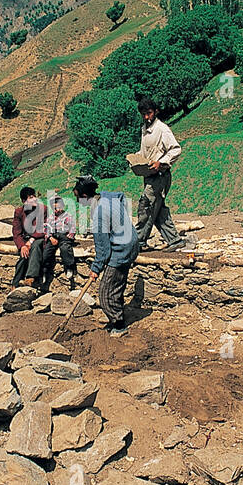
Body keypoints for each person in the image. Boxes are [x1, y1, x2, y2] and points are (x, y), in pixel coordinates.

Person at [75, 175, 138, 338]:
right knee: (117, 284)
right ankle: (119, 313)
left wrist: (95, 269)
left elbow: (103, 251)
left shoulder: (98, 214)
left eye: (77, 198)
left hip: (121, 250)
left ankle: (119, 325)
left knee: (105, 293)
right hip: (131, 243)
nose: (77, 202)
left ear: (83, 196)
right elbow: (122, 198)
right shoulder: (109, 197)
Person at [135, 103, 186, 252]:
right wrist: (136, 158)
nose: (146, 117)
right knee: (157, 209)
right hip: (149, 175)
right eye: (143, 114)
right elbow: (146, 151)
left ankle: (139, 241)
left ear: (156, 112)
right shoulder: (144, 129)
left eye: (149, 113)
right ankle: (174, 240)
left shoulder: (162, 130)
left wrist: (161, 162)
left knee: (146, 206)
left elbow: (176, 149)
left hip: (160, 175)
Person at [11, 187, 54, 290]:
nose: (35, 199)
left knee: (35, 246)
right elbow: (16, 233)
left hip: (39, 237)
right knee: (23, 255)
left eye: (35, 196)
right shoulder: (19, 212)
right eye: (31, 197)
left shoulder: (42, 209)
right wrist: (22, 246)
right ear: (24, 201)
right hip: (25, 240)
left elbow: (42, 228)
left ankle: (31, 277)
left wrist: (30, 241)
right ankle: (15, 284)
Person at [48, 193, 78, 289]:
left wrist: (70, 235)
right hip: (54, 237)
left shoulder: (67, 216)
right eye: (55, 208)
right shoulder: (51, 218)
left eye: (59, 206)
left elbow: (72, 228)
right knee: (47, 250)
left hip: (64, 237)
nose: (57, 209)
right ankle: (45, 269)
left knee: (65, 248)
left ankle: (69, 267)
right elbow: (47, 229)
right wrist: (50, 237)